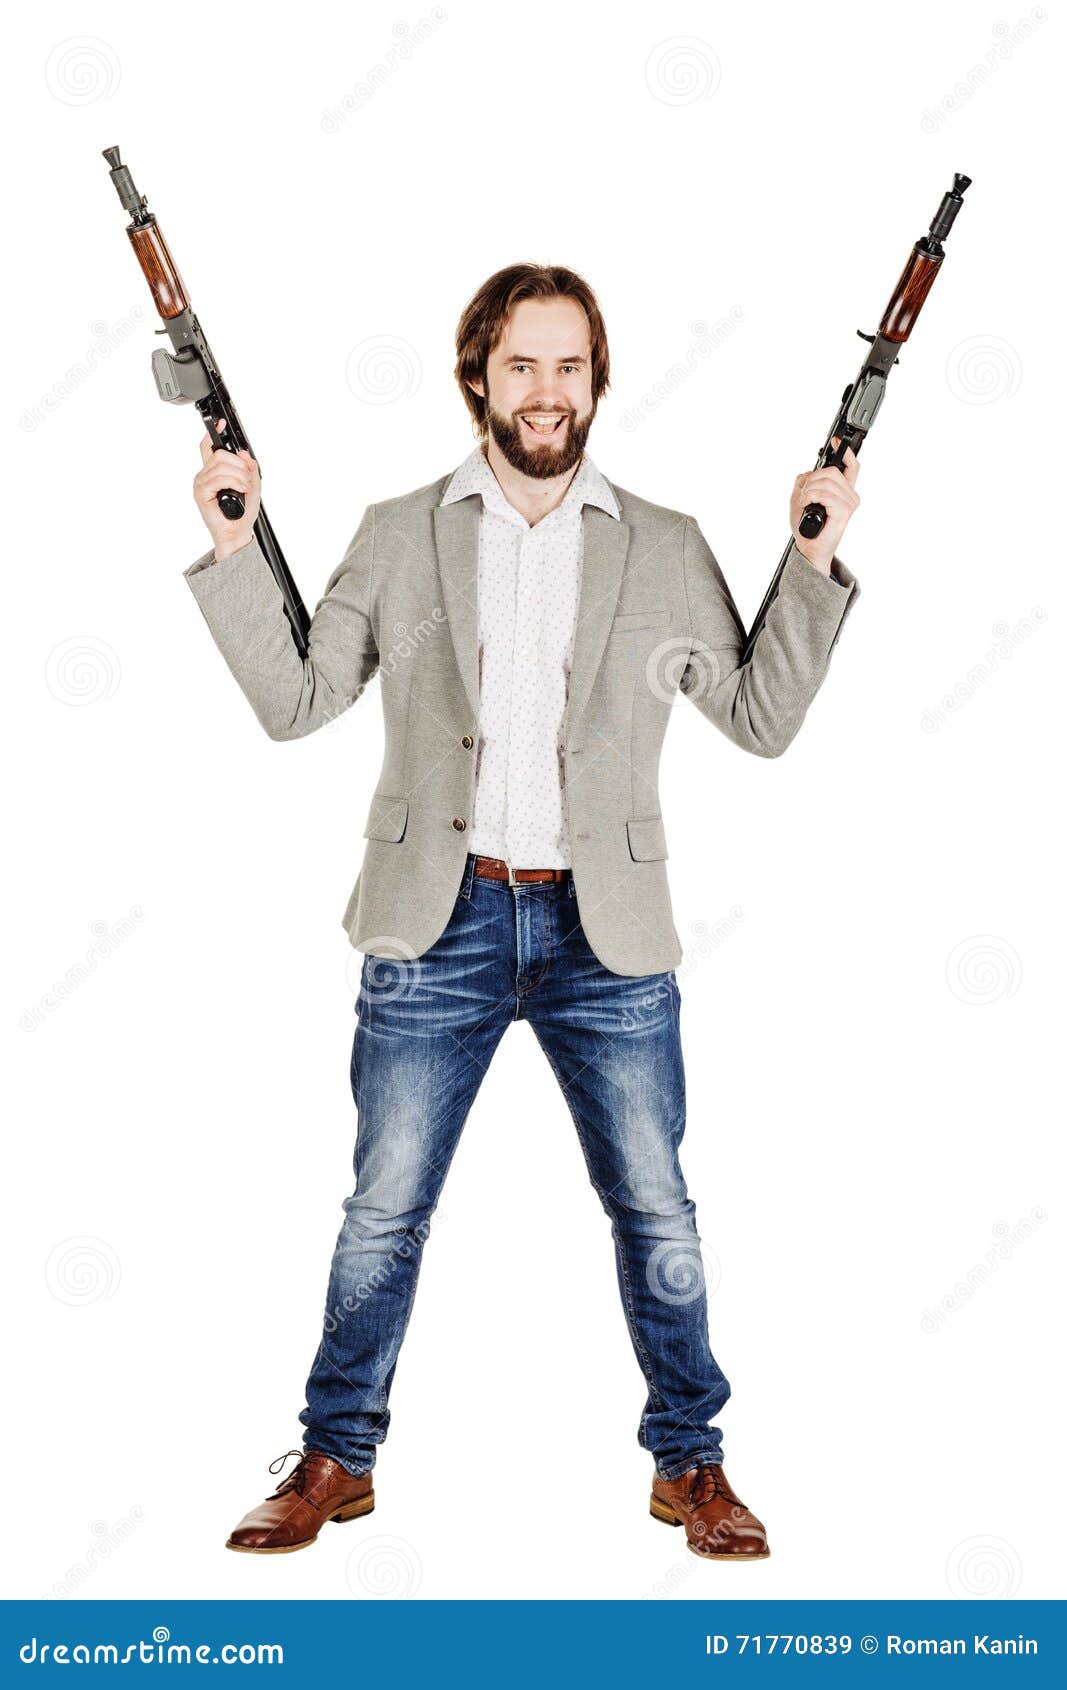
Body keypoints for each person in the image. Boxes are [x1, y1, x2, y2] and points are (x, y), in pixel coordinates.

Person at [185, 264, 861, 1561]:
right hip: (432, 924)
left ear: (596, 381)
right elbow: (301, 697)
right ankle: (337, 1452)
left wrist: (813, 555)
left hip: (605, 936)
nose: (547, 392)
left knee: (656, 1205)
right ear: (477, 379)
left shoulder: (657, 543)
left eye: (570, 366)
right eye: (522, 366)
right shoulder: (399, 530)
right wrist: (233, 539)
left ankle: (693, 1462)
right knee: (384, 1203)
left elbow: (761, 719)